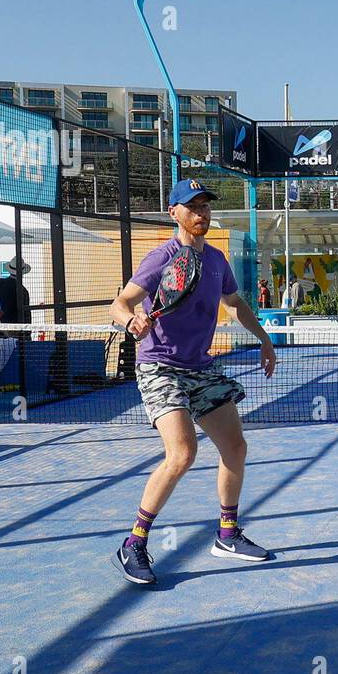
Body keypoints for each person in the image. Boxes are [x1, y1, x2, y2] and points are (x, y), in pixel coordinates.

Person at [110, 178, 278, 586]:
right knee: (182, 453)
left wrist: (265, 339)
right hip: (159, 366)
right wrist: (131, 319)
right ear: (175, 213)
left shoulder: (218, 261)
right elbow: (121, 302)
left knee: (235, 446)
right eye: (192, 207)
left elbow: (235, 304)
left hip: (200, 367)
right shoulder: (162, 257)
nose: (201, 213)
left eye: (205, 206)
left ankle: (227, 534)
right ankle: (133, 543)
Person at [0, 258, 31, 324]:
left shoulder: (0, 284)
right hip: (19, 326)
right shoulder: (23, 290)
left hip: (3, 325)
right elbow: (26, 313)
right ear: (22, 273)